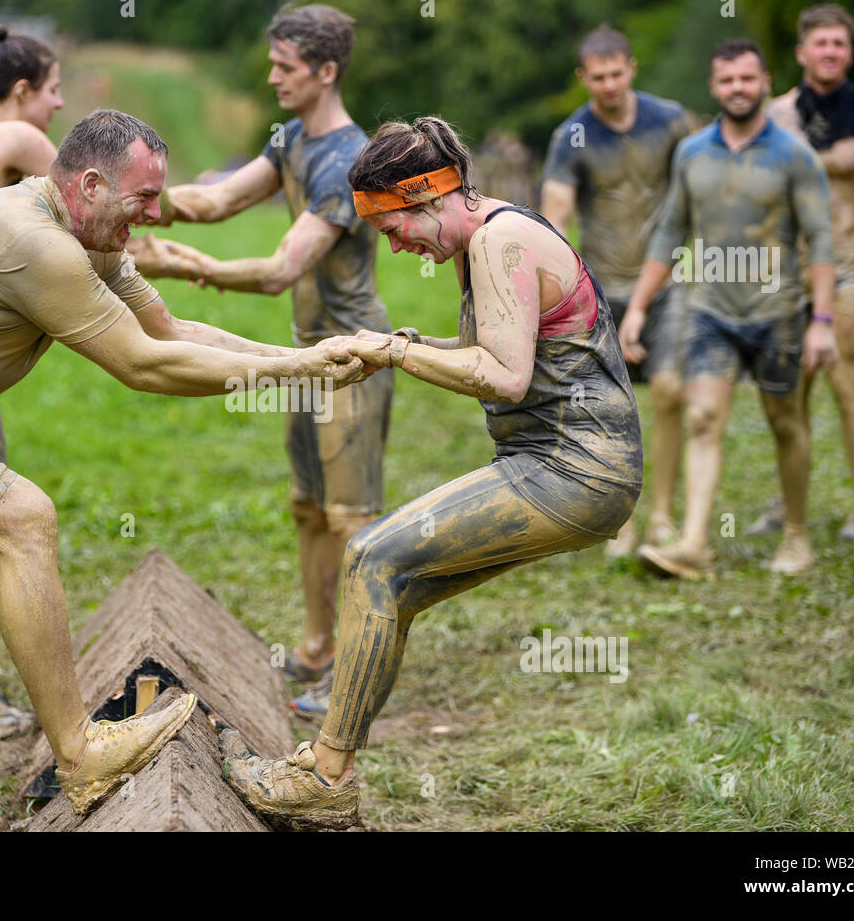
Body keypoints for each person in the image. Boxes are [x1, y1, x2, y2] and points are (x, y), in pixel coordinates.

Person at [0, 109, 366, 829]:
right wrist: (297, 368)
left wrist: (304, 364)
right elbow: (144, 366)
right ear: (88, 184)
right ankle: (78, 752)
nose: (154, 213)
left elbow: (170, 333)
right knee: (23, 518)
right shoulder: (33, 242)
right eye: (142, 198)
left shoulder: (91, 242)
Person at [219, 117, 643, 829]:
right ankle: (328, 771)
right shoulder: (483, 240)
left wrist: (391, 351)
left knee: (371, 556)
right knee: (395, 583)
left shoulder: (501, 240)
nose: (394, 245)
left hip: (576, 467)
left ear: (427, 198)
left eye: (392, 228)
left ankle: (324, 777)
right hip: (559, 463)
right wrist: (413, 344)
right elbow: (489, 350)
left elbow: (502, 377)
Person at [0, 28, 207, 745]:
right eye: (51, 89)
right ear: (19, 95)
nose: (60, 103)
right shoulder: (15, 143)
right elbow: (94, 201)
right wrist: (178, 235)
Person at [153, 5, 394, 712]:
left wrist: (181, 266)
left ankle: (353, 673)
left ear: (326, 71)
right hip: (305, 357)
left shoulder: (347, 162)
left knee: (351, 517)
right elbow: (220, 197)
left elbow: (278, 271)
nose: (271, 77)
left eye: (285, 67)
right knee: (307, 509)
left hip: (353, 359)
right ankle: (317, 650)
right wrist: (149, 201)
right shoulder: (290, 138)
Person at [618, 39, 838, 580]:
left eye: (747, 78)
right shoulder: (692, 152)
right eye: (726, 80)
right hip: (710, 309)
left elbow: (822, 240)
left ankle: (796, 535)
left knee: (785, 423)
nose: (737, 89)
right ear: (714, 87)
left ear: (765, 81)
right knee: (703, 416)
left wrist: (824, 323)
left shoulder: (795, 155)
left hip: (778, 311)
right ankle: (693, 542)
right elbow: (671, 231)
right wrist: (638, 308)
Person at [747, 4, 854, 540]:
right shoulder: (773, 116)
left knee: (846, 379)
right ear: (801, 52)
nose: (830, 52)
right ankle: (786, 501)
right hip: (787, 269)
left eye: (840, 44)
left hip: (849, 261)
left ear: (849, 51)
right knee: (787, 389)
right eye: (821, 43)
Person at [541, 25, 691, 558]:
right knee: (610, 407)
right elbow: (555, 213)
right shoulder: (571, 136)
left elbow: (697, 187)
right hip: (600, 288)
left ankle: (665, 516)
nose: (608, 84)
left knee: (672, 391)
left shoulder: (670, 120)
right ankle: (620, 519)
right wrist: (553, 287)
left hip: (669, 282)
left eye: (616, 73)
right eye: (597, 77)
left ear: (632, 67)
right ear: (583, 78)